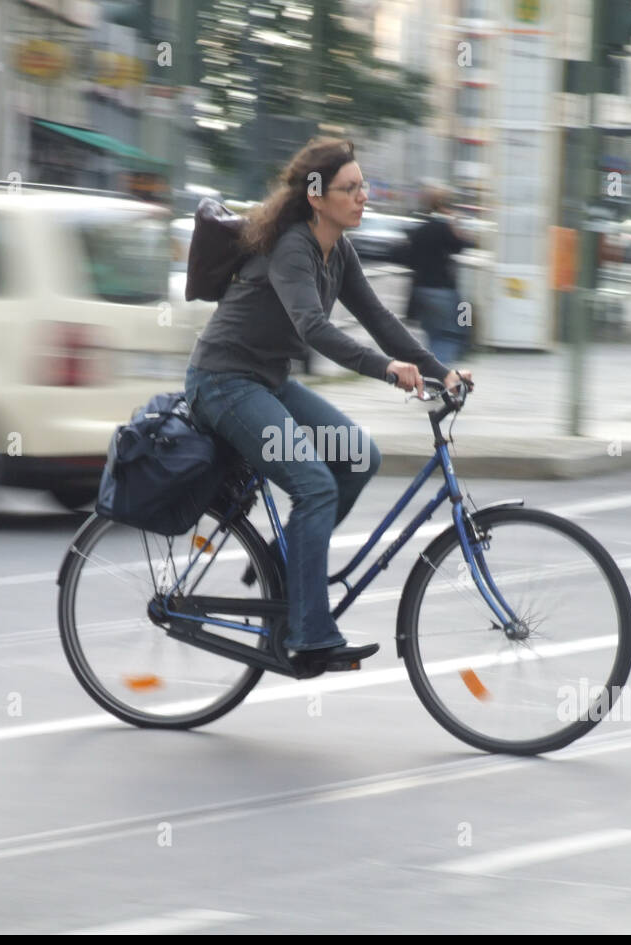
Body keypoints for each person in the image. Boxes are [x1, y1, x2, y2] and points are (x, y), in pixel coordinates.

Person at [184, 138, 473, 674]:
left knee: (359, 456)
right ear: (318, 197)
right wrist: (383, 369)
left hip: (265, 382)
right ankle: (310, 634)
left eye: (363, 186)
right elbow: (311, 327)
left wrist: (440, 371)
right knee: (314, 483)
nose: (364, 196)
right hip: (223, 384)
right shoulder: (292, 247)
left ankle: (282, 565)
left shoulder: (337, 249)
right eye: (351, 188)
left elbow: (379, 320)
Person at [403, 187, 473, 365]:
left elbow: (408, 257)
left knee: (433, 335)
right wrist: (457, 223)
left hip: (420, 291)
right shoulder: (444, 228)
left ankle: (430, 373)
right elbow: (462, 245)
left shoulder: (419, 230)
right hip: (442, 290)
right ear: (444, 206)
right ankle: (439, 375)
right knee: (451, 334)